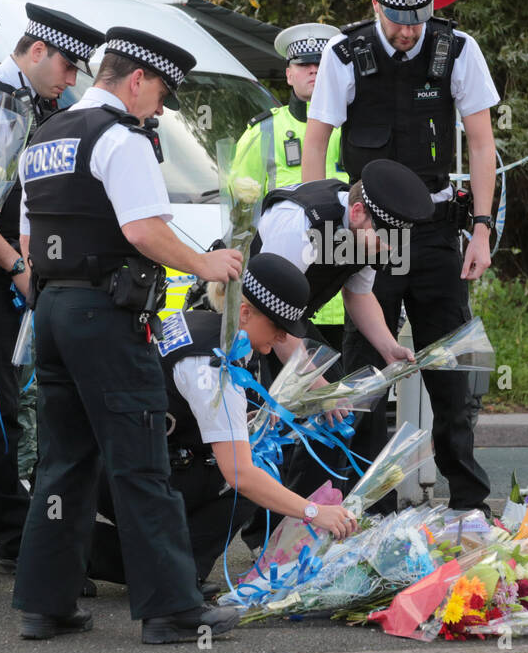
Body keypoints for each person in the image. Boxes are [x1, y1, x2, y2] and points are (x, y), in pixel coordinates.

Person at [14, 26, 244, 644]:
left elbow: (31, 242)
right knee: (142, 460)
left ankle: (46, 603)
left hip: (54, 309)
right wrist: (207, 265)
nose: (162, 108)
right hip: (107, 317)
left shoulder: (46, 136)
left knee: (65, 460)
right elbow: (144, 230)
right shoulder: (120, 137)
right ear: (135, 79)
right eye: (161, 93)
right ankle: (172, 610)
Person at [301, 0, 500, 513]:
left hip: (438, 231)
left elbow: (481, 143)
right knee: (365, 378)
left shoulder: (457, 50)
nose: (409, 30)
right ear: (376, 6)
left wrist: (481, 229)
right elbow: (317, 142)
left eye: (418, 19)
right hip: (367, 237)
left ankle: (468, 503)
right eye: (398, 20)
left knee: (451, 373)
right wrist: (325, 225)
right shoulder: (345, 53)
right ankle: (369, 509)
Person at [86, 253, 360, 602]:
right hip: (121, 474)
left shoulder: (210, 328)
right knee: (251, 475)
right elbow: (239, 473)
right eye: (277, 327)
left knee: (250, 465)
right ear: (245, 312)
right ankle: (98, 552)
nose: (281, 338)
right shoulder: (214, 365)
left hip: (122, 458)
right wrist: (314, 512)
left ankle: (176, 567)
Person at [0, 3, 104, 571]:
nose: (73, 79)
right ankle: (17, 539)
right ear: (38, 52)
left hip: (16, 270)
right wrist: (18, 268)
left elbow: (30, 200)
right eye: (67, 66)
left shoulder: (45, 105)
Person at [248, 159, 431, 508]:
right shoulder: (300, 223)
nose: (389, 249)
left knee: (334, 418)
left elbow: (358, 294)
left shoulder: (369, 232)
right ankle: (269, 538)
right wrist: (321, 390)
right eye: (384, 238)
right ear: (358, 211)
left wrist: (388, 347)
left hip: (291, 320)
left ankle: (307, 522)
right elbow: (271, 318)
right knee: (273, 430)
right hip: (256, 320)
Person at [229, 23, 346, 348]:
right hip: (279, 298)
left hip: (347, 291)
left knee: (343, 390)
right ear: (289, 74)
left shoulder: (355, 130)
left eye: (320, 64)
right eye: (303, 65)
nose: (312, 70)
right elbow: (241, 217)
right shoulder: (262, 132)